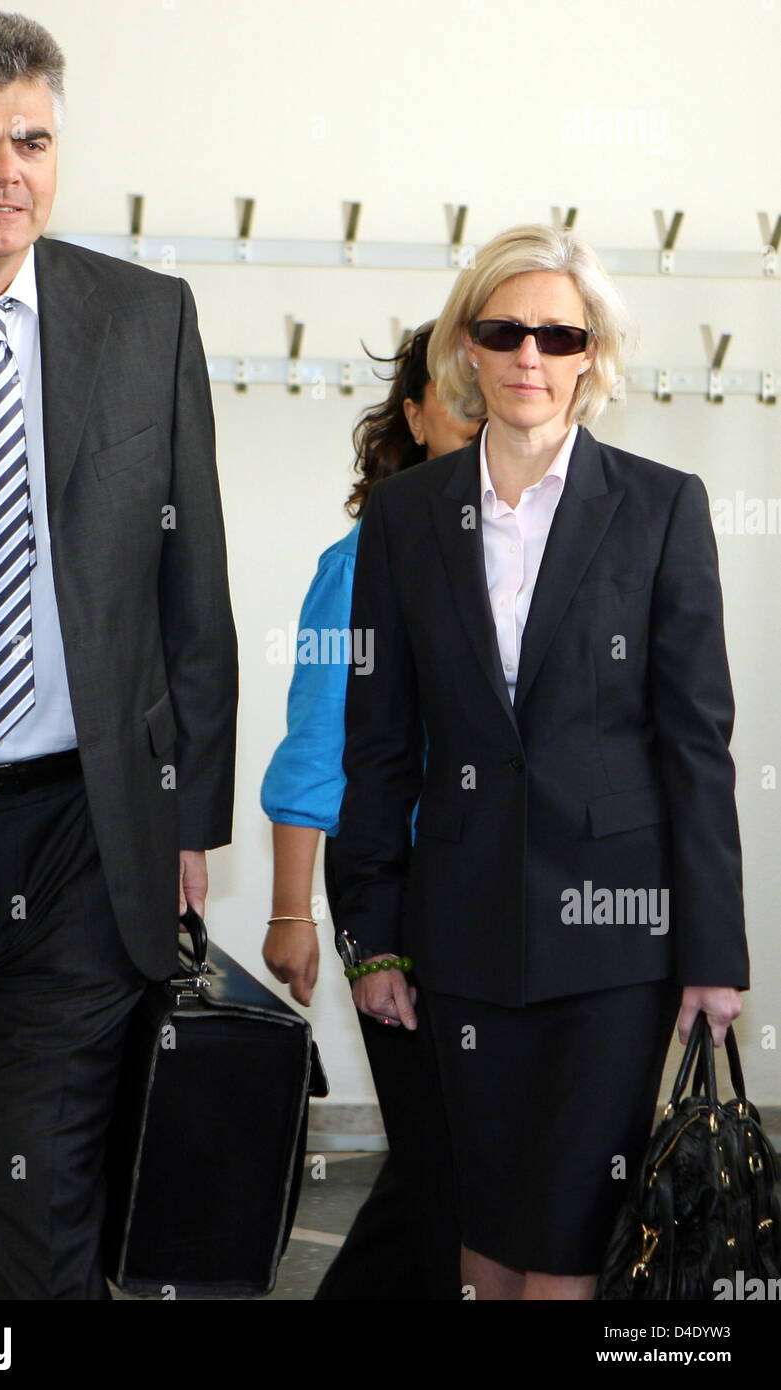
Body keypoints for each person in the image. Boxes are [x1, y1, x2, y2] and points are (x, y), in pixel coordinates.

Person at [0, 12, 237, 1300]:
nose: (4, 167)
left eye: (30, 139)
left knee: (44, 1182)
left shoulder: (144, 318)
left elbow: (194, 590)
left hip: (87, 831)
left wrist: (186, 812)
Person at [328, 223, 749, 1301]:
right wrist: (372, 940)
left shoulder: (661, 506)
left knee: (563, 1248)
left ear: (590, 352)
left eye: (557, 334)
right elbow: (375, 743)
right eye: (505, 330)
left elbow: (697, 744)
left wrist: (714, 949)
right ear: (468, 346)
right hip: (460, 930)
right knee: (480, 1238)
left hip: (617, 943)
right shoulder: (409, 516)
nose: (529, 355)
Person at [261, 324, 477, 1298]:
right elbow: (317, 744)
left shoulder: (544, 559)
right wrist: (291, 913)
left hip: (510, 904)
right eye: (454, 394)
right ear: (416, 415)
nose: (479, 412)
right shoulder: (360, 564)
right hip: (400, 901)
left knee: (455, 1170)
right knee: (448, 1174)